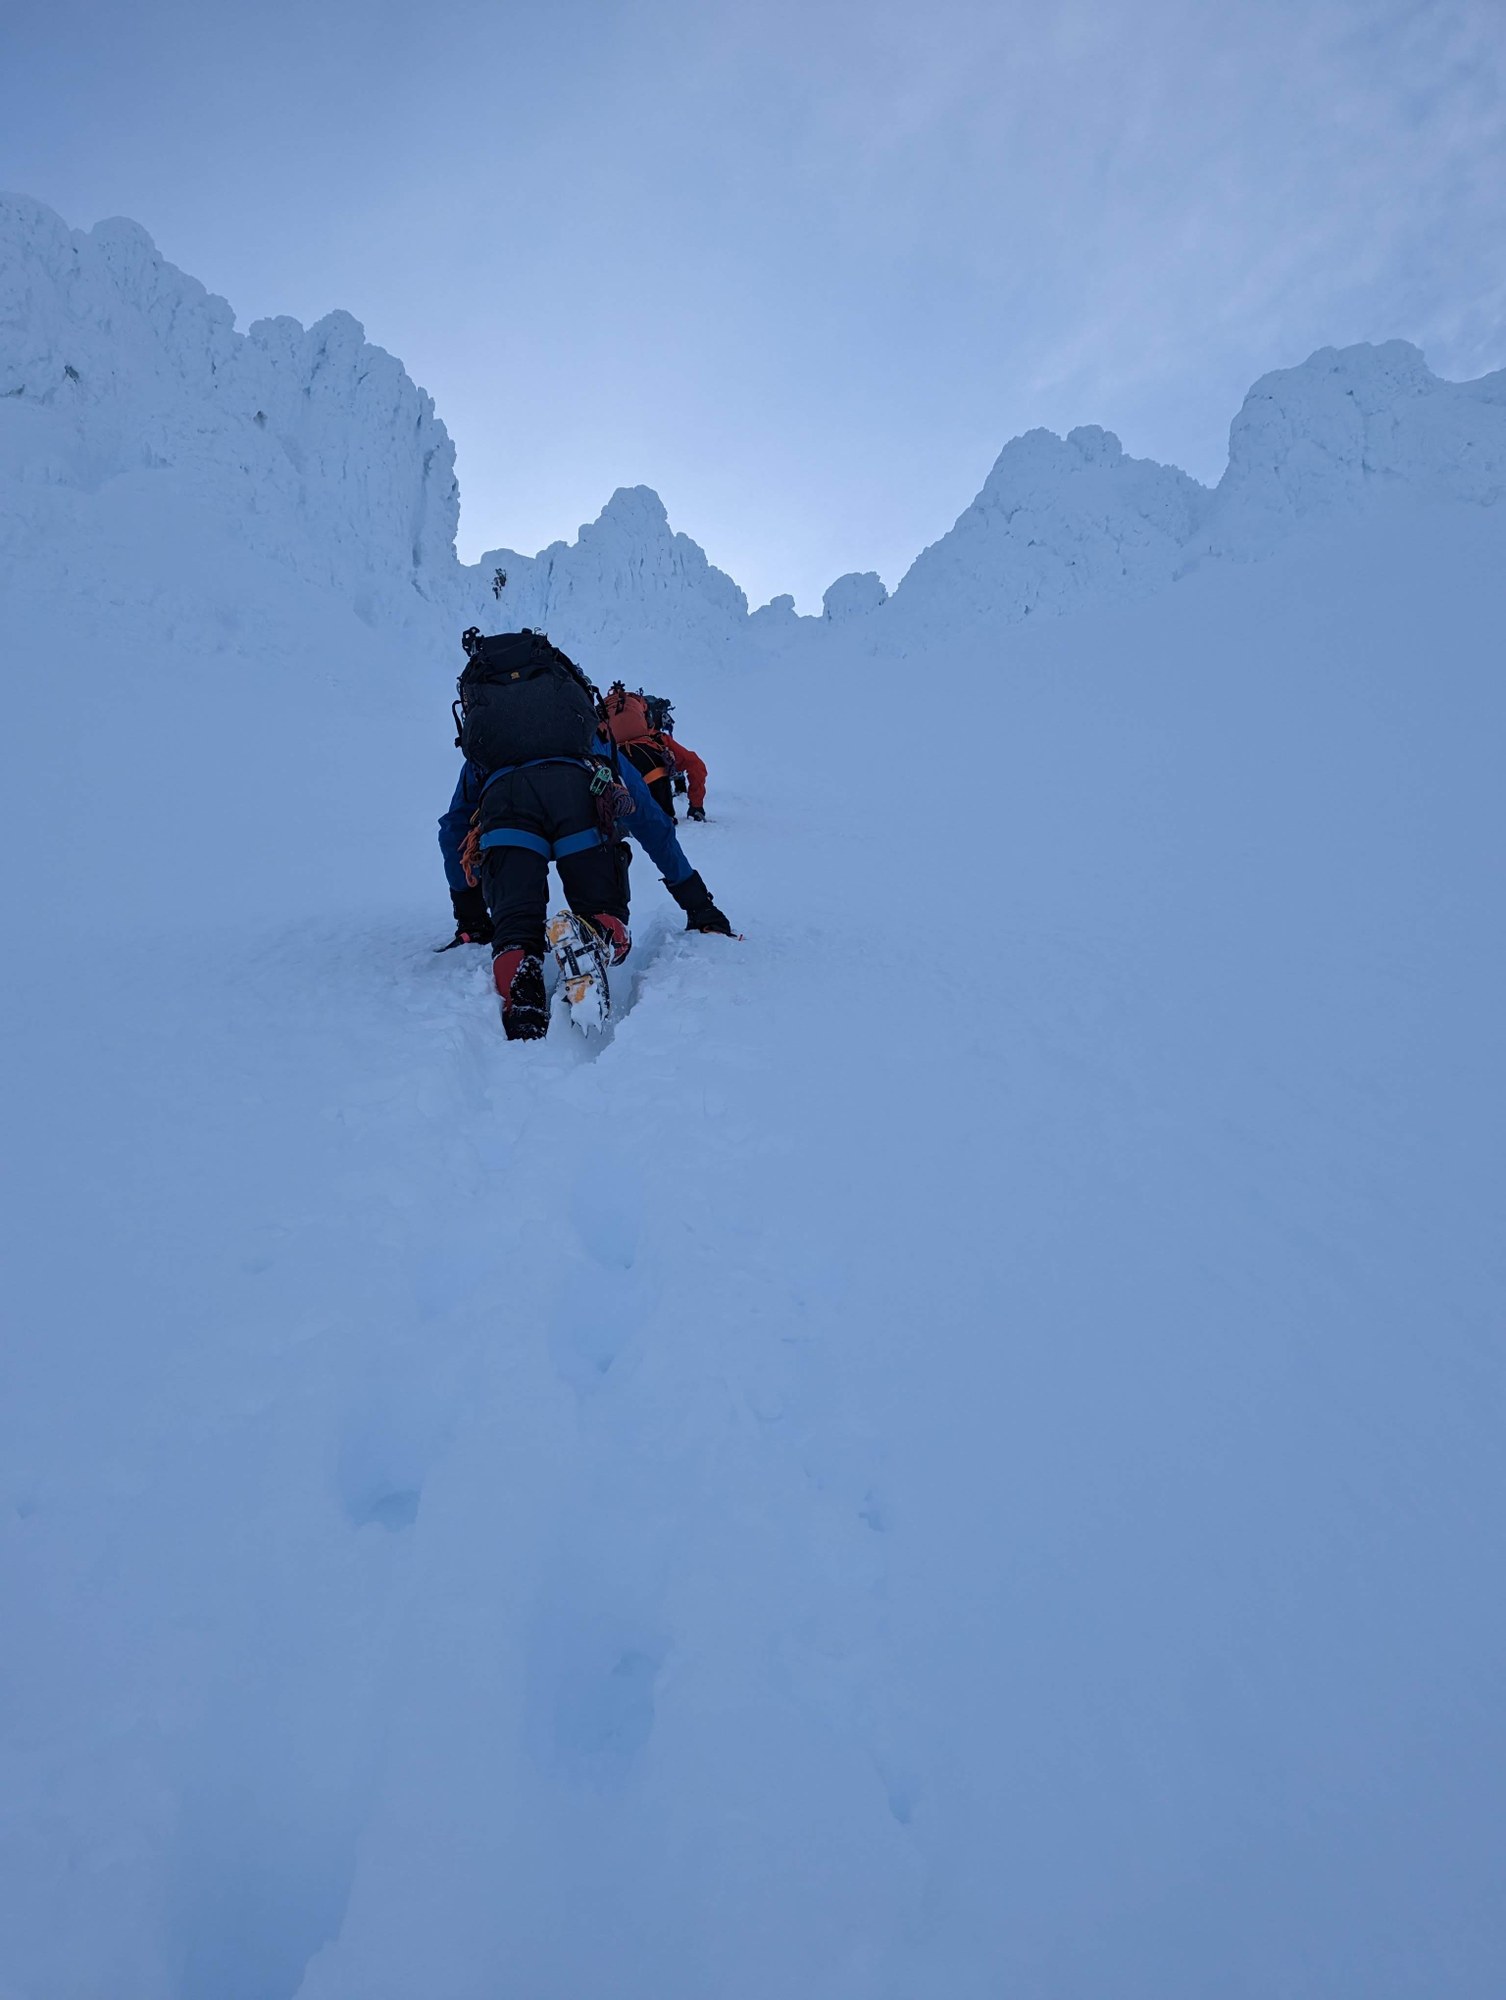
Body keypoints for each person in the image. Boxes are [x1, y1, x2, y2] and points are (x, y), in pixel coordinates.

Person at [438, 629, 734, 1039]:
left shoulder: (488, 750)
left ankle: (521, 981)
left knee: (515, 930)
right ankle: (596, 932)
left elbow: (452, 828)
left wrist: (469, 914)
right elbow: (651, 820)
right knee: (604, 909)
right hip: (581, 800)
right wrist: (696, 901)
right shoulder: (589, 736)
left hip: (505, 806)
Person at [602, 683, 711, 821]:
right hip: (657, 810)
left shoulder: (604, 741)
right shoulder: (656, 738)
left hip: (617, 808)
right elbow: (696, 765)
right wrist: (697, 805)